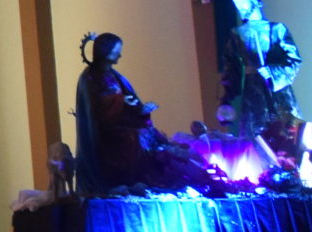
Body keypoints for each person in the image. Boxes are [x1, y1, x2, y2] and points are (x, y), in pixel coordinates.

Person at [73, 32, 218, 194]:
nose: (120, 55)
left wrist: (140, 110)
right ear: (105, 52)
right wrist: (120, 101)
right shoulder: (89, 78)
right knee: (135, 139)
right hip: (104, 134)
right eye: (116, 52)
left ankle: (167, 175)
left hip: (122, 125)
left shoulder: (116, 76)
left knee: (150, 135)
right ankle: (131, 180)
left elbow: (128, 100)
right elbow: (95, 108)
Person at [218, 0, 304, 160]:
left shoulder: (277, 29)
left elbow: (294, 60)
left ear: (254, 1)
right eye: (237, 4)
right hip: (254, 95)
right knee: (256, 139)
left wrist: (273, 71)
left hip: (279, 93)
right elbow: (231, 68)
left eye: (243, 2)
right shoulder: (238, 34)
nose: (240, 8)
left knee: (288, 135)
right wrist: (226, 98)